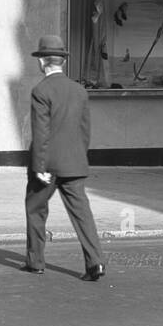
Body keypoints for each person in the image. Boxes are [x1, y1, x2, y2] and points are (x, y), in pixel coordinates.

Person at [22, 34, 105, 281]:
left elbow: (41, 132)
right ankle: (96, 263)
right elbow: (85, 130)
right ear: (63, 62)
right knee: (82, 214)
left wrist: (39, 167)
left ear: (41, 62)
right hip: (74, 163)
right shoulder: (79, 91)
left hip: (48, 164)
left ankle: (36, 262)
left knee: (35, 209)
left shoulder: (41, 90)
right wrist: (80, 158)